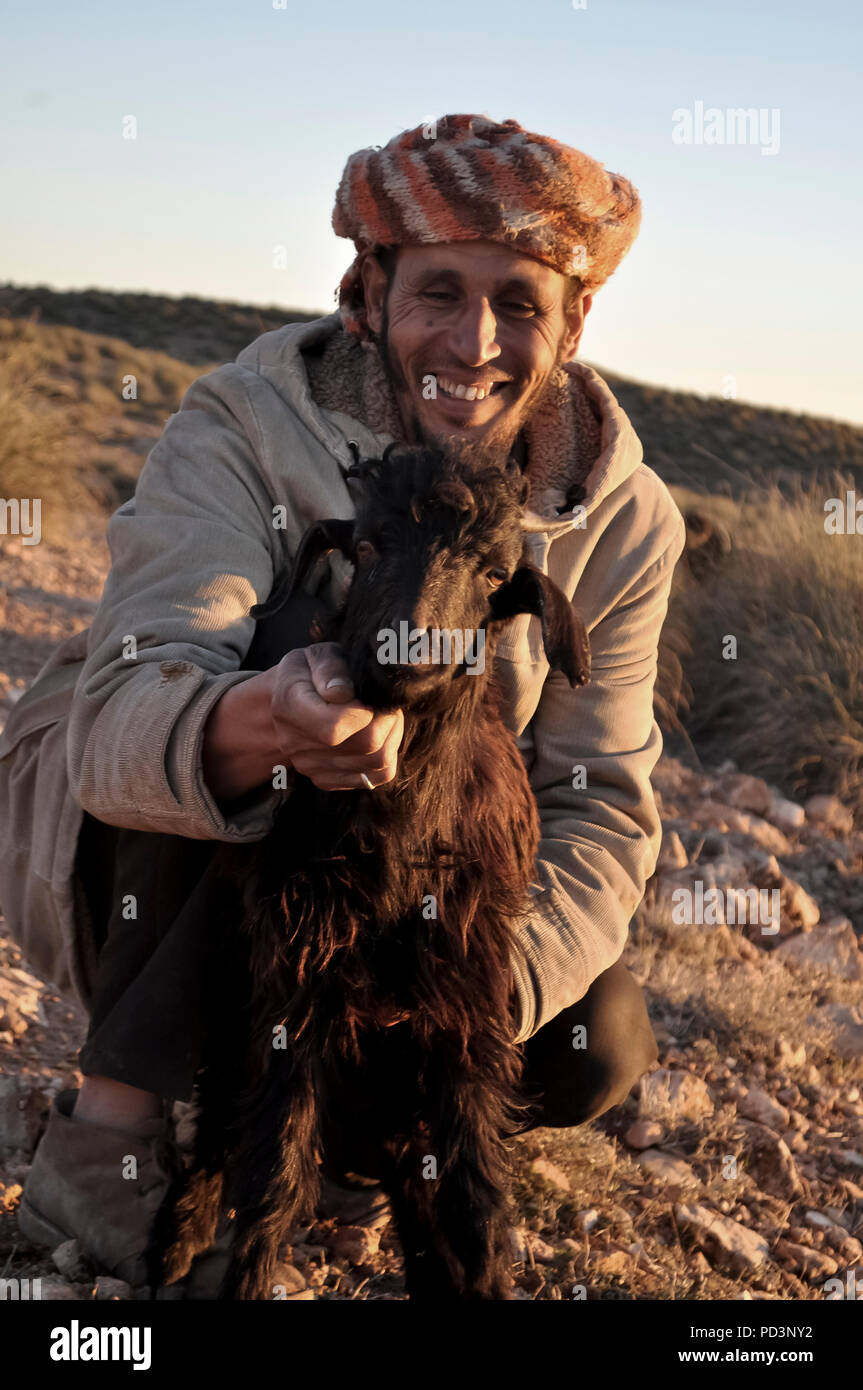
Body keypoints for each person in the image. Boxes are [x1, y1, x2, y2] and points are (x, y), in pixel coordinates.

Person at [0, 113, 685, 1297]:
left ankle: (346, 1131)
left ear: (573, 324)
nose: (473, 341)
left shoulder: (626, 524)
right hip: (135, 833)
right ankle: (112, 1130)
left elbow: (601, 804)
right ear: (367, 292)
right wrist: (261, 717)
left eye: (520, 302)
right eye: (436, 291)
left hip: (400, 883)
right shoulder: (246, 423)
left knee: (588, 1043)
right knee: (291, 628)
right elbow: (127, 707)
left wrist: (464, 998)